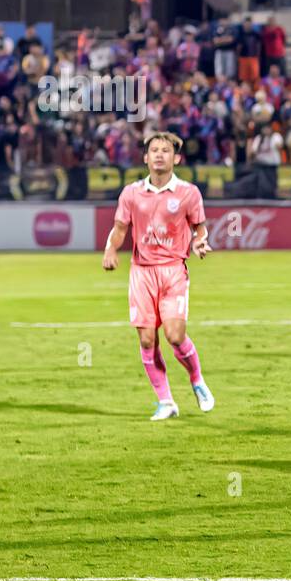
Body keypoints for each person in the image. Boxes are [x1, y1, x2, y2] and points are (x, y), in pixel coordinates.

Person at [102, 132, 215, 420]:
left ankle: (197, 379)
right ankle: (166, 402)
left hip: (174, 269)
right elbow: (119, 227)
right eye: (154, 150)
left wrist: (200, 242)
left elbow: (200, 229)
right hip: (141, 272)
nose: (159, 154)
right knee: (147, 341)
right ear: (145, 157)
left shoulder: (188, 193)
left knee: (175, 336)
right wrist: (110, 250)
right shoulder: (131, 193)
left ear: (176, 158)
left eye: (166, 150)